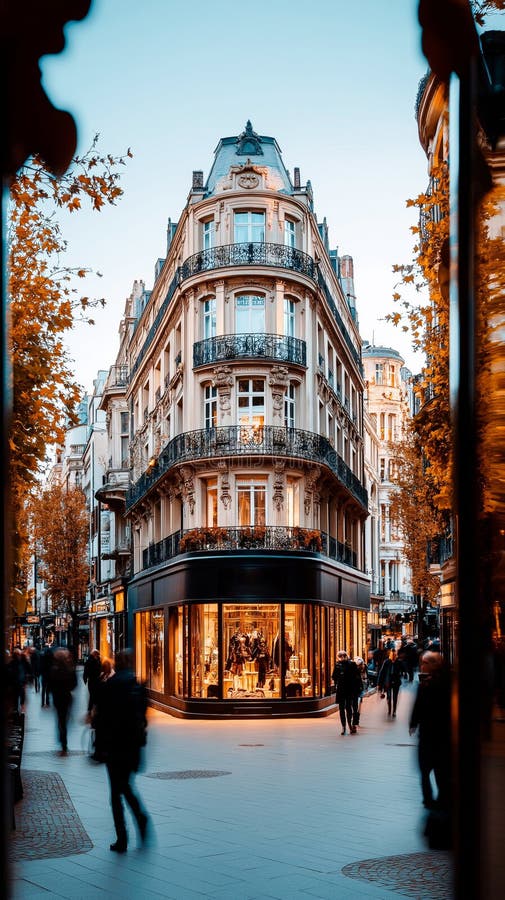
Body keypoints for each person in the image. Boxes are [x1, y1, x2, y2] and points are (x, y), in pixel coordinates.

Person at [93, 649, 150, 853]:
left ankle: (123, 837)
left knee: (117, 792)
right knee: (124, 785)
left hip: (114, 746)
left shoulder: (110, 686)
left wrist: (99, 748)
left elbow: (101, 720)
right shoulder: (138, 686)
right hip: (133, 746)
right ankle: (139, 820)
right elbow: (143, 719)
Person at [409, 651, 452, 812]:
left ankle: (438, 798)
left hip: (437, 734)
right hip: (428, 734)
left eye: (425, 663)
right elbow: (418, 705)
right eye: (422, 662)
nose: (422, 666)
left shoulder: (441, 684)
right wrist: (413, 722)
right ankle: (428, 798)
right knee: (425, 770)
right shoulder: (425, 683)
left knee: (437, 770)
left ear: (434, 665)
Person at [49, 648, 77, 755]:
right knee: (64, 718)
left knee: (60, 718)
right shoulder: (70, 669)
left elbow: (50, 685)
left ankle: (61, 737)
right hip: (66, 697)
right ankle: (63, 741)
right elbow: (74, 684)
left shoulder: (54, 670)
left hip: (57, 697)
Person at [332, 650, 362, 735]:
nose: (341, 657)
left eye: (343, 656)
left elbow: (357, 676)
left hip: (348, 689)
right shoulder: (338, 665)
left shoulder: (351, 664)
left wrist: (358, 687)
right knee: (342, 708)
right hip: (343, 689)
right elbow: (334, 676)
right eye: (340, 656)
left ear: (346, 656)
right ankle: (344, 727)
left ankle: (348, 725)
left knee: (348, 708)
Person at [378, 648, 404, 717]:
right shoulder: (386, 662)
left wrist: (402, 673)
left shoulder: (399, 662)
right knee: (389, 697)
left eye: (394, 655)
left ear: (396, 655)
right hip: (388, 682)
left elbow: (403, 670)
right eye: (392, 655)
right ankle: (389, 710)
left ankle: (394, 711)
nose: (393, 656)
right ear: (390, 655)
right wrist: (379, 683)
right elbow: (382, 672)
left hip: (396, 682)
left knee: (395, 697)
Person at [83, 649, 102, 713]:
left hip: (94, 680)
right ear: (94, 654)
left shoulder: (97, 660)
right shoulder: (91, 661)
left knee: (93, 695)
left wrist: (85, 679)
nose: (98, 655)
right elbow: (86, 671)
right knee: (93, 695)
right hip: (93, 680)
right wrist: (85, 678)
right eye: (97, 654)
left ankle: (91, 708)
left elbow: (86, 671)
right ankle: (91, 708)